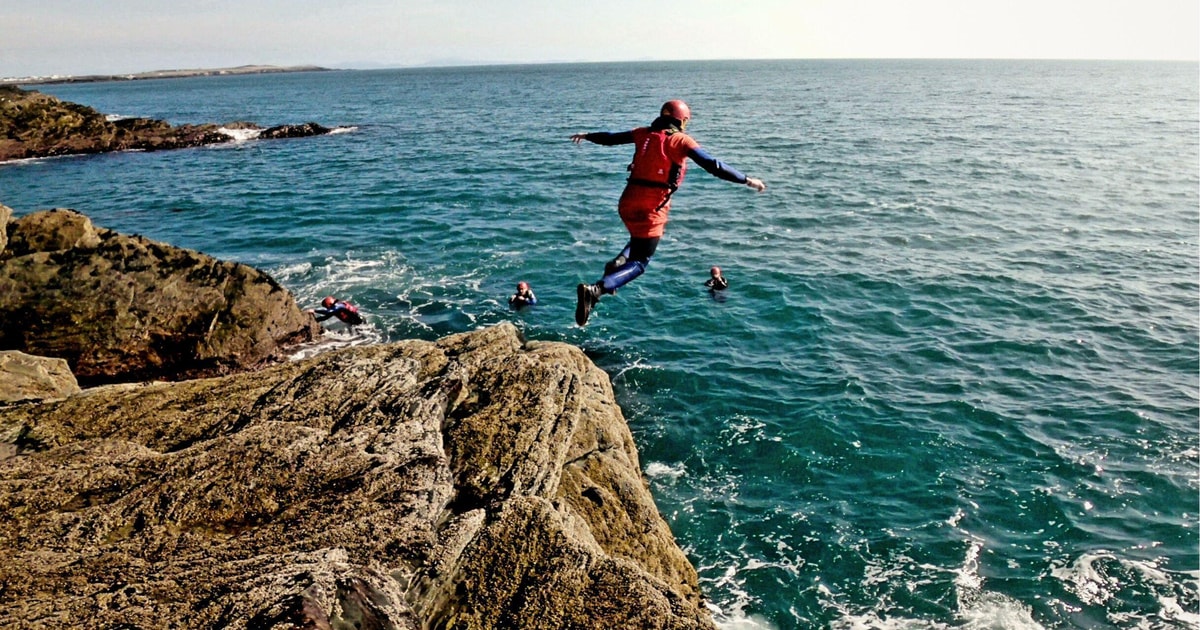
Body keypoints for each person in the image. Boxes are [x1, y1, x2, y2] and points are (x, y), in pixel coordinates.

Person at [570, 99, 765, 326]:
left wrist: (587, 135)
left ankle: (616, 265)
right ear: (681, 121)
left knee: (639, 240)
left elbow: (611, 138)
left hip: (627, 202)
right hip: (651, 208)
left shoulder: (642, 133)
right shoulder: (680, 140)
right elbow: (714, 165)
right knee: (641, 261)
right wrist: (747, 180)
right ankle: (596, 290)